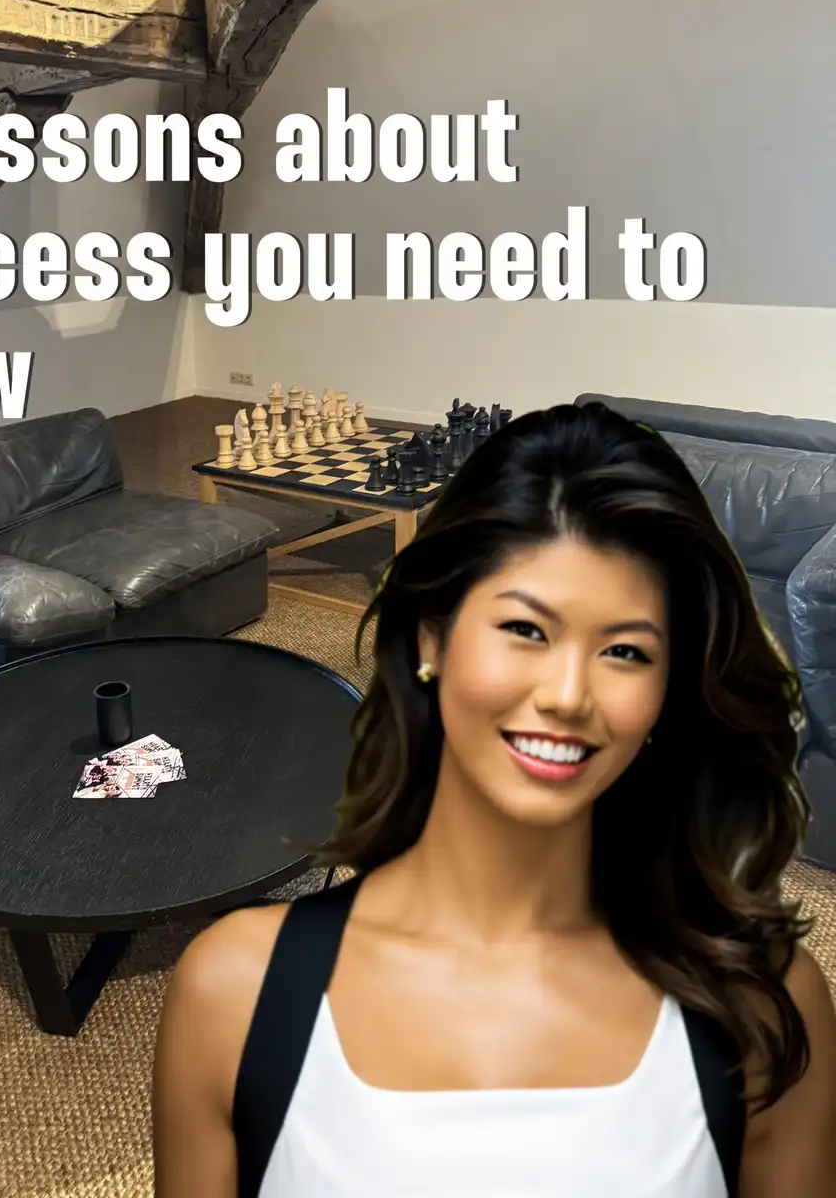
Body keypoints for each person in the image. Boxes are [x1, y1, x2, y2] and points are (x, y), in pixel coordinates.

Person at [152, 402, 836, 1197]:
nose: (569, 695)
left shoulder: (767, 1007)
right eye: (525, 629)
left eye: (625, 651)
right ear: (434, 637)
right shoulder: (232, 989)